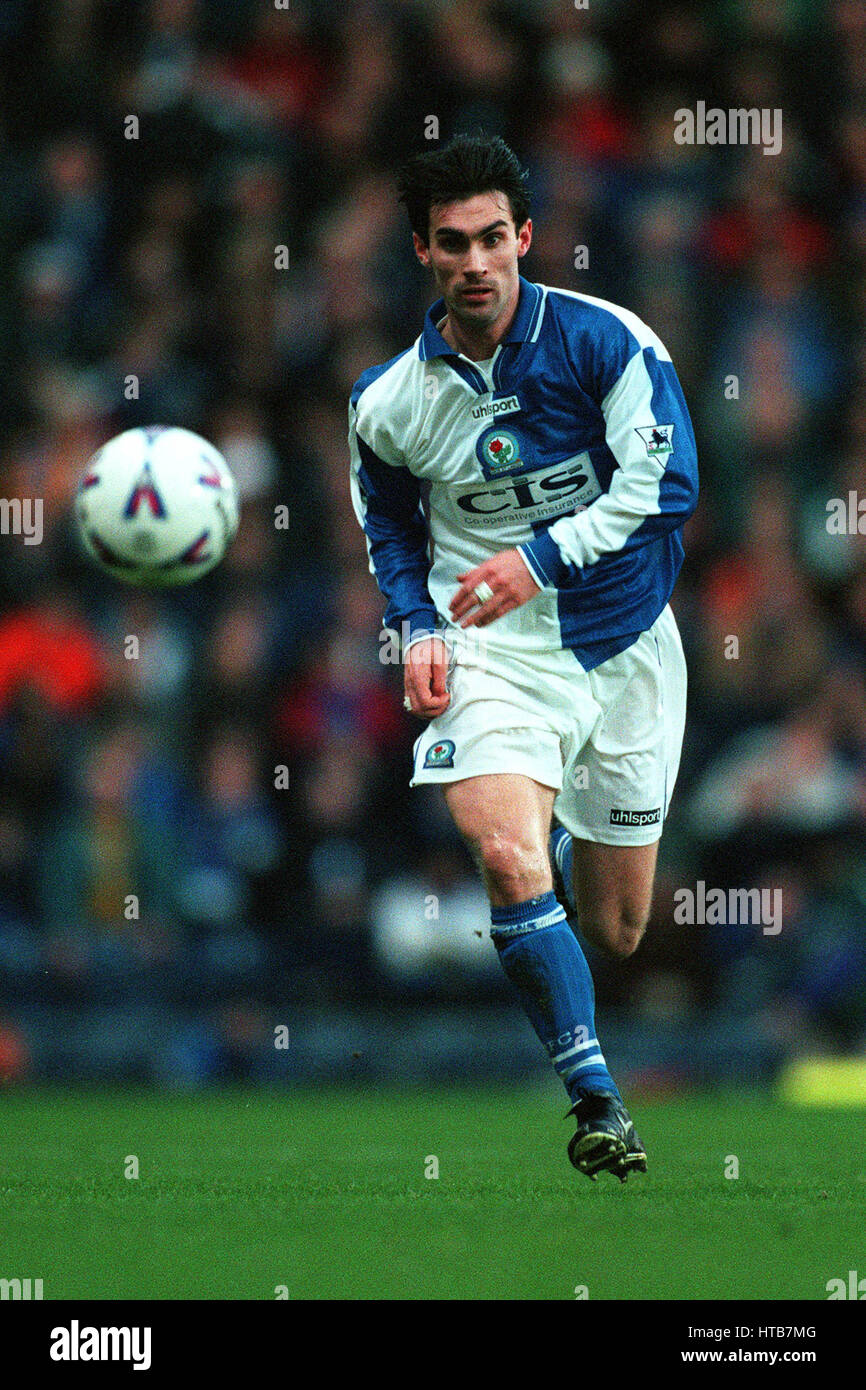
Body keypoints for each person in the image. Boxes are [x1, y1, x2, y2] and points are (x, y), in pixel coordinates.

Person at [348, 134, 698, 1180]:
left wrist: (538, 557)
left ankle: (541, 917)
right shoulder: (387, 403)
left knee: (620, 926)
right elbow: (391, 529)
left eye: (492, 238)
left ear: (525, 239)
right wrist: (414, 622)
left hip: (626, 641)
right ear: (421, 251)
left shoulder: (608, 343)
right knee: (506, 854)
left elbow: (665, 486)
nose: (474, 261)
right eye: (451, 242)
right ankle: (596, 1102)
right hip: (489, 649)